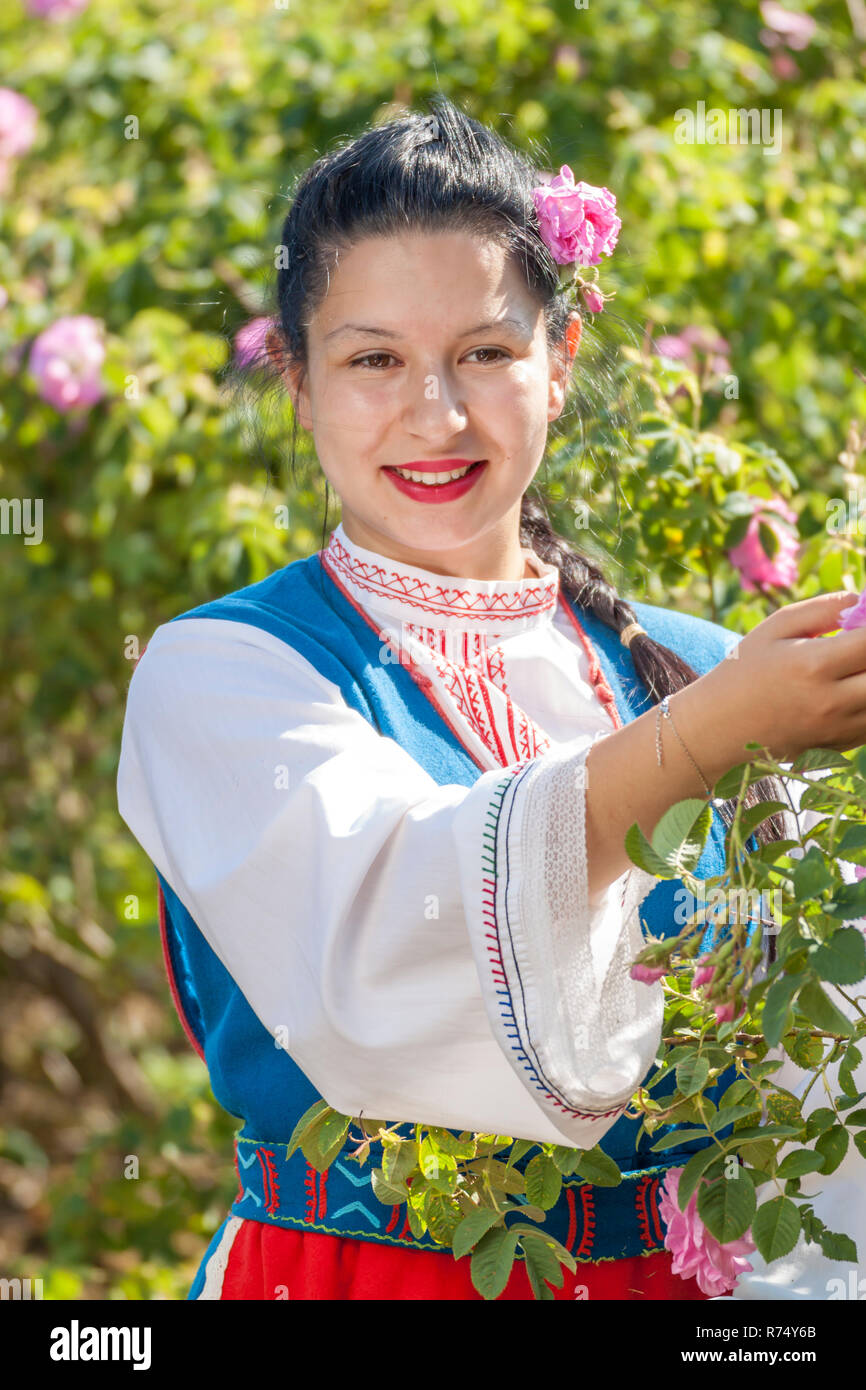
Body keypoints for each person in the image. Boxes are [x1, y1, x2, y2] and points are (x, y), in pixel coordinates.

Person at [116, 96, 866, 1301]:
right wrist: (717, 731)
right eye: (373, 360)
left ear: (557, 366)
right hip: (368, 1280)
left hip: (702, 1286)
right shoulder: (225, 671)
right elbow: (396, 916)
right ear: (297, 383)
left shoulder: (694, 659)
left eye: (485, 351)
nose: (436, 414)